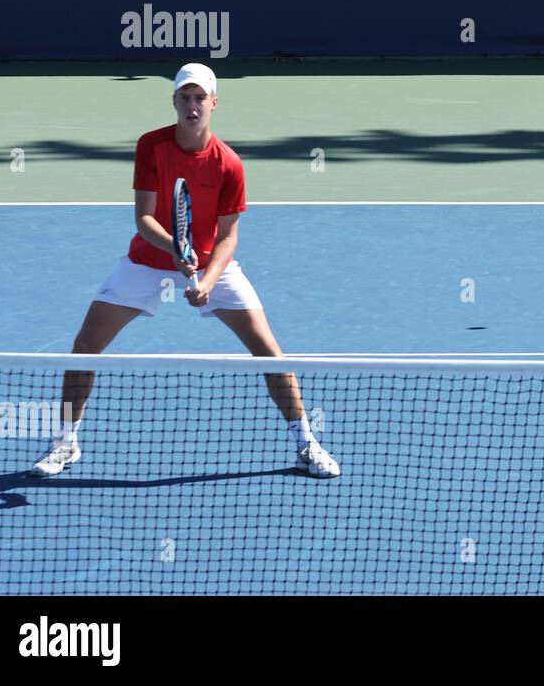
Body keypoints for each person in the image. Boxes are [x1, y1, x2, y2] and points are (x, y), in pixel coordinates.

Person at [31, 63, 340, 478]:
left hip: (211, 262)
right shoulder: (151, 146)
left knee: (269, 353)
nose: (192, 106)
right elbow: (144, 218)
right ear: (174, 102)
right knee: (85, 346)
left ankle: (306, 442)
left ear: (214, 103)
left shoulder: (229, 163)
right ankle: (65, 442)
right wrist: (175, 247)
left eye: (200, 98)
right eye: (184, 97)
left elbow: (229, 237)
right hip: (147, 261)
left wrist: (208, 279)